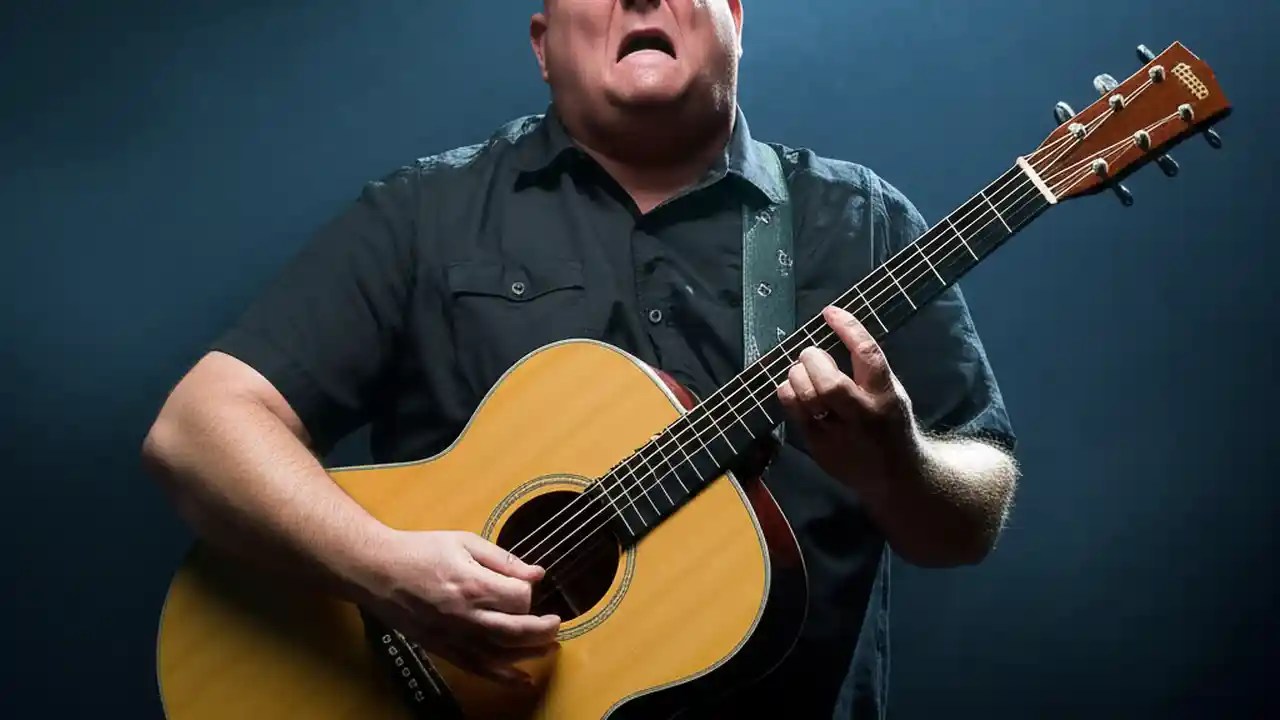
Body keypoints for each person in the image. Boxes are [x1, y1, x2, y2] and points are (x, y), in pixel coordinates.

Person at [142, 0, 1020, 717]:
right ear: (541, 44)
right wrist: (385, 572)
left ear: (736, 18)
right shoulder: (425, 215)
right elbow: (197, 432)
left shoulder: (860, 223)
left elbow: (969, 520)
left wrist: (900, 462)